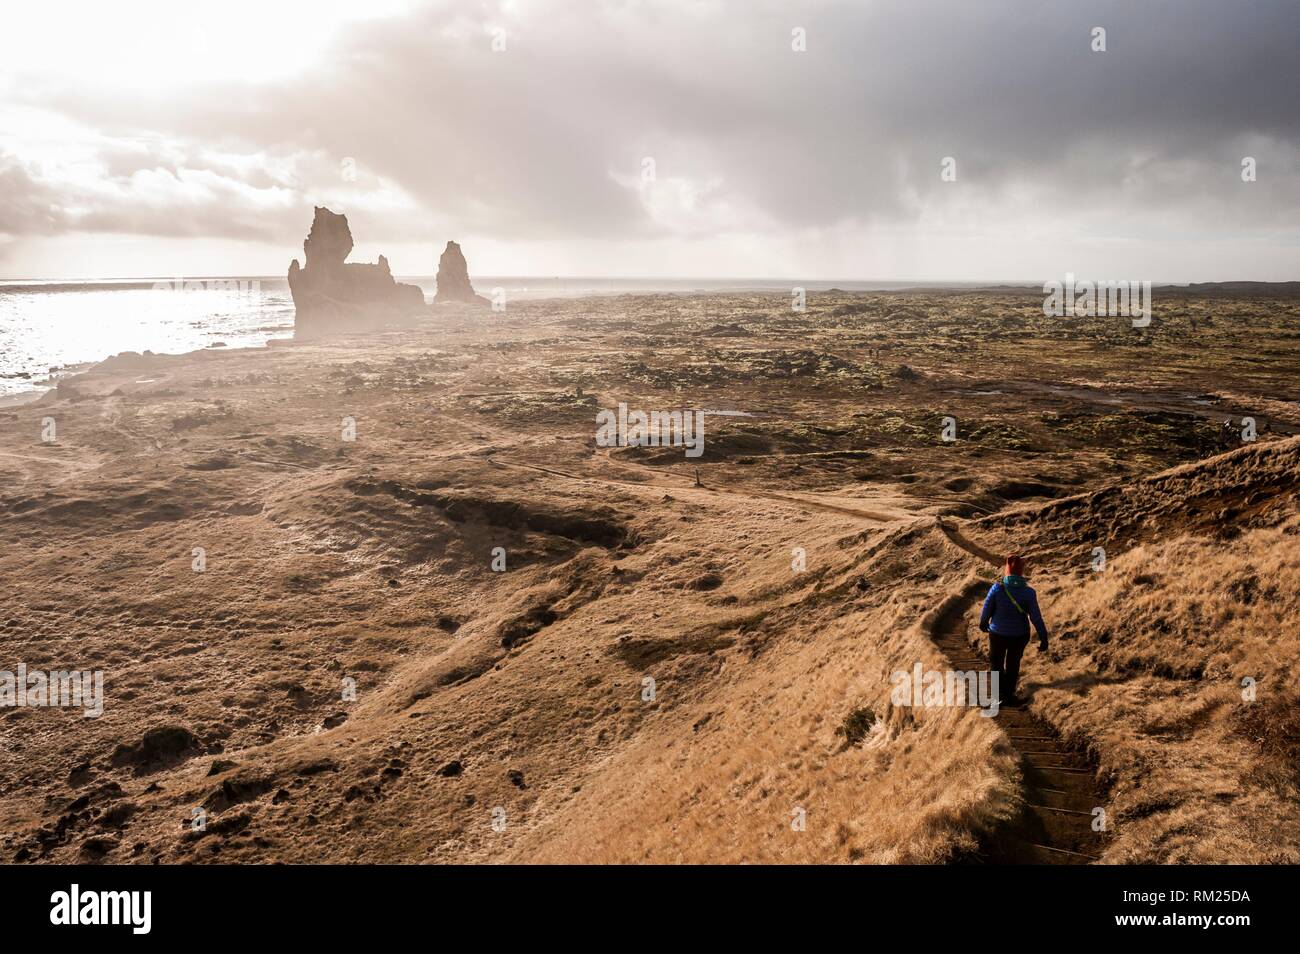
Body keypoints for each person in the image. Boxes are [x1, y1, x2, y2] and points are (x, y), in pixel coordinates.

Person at [978, 554, 1049, 708]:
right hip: (1019, 635)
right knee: (1013, 664)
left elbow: (987, 609)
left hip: (997, 634)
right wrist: (1043, 637)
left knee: (996, 663)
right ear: (1021, 571)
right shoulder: (1029, 593)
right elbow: (1036, 617)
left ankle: (1000, 695)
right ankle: (1008, 695)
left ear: (1007, 570)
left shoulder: (997, 588)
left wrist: (983, 623)